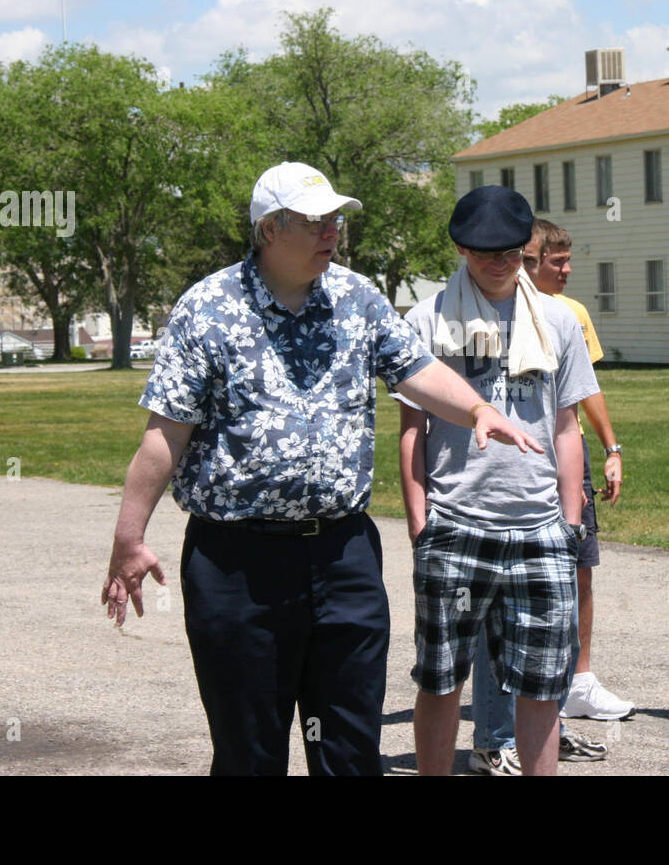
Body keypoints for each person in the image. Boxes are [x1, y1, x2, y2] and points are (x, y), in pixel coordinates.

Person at [100, 162, 541, 776]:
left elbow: (415, 370)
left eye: (336, 218)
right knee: (249, 749)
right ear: (270, 229)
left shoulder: (357, 298)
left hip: (342, 556)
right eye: (316, 221)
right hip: (237, 564)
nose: (333, 231)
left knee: (349, 746)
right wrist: (130, 537)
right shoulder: (207, 308)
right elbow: (164, 434)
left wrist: (476, 409)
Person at [398, 185, 599, 776]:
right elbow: (412, 429)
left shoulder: (558, 319)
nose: (500, 262)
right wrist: (419, 520)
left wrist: (568, 523)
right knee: (440, 679)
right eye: (486, 251)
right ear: (460, 247)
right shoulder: (426, 319)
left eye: (512, 251)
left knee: (542, 686)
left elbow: (566, 426)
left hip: (539, 530)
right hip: (455, 524)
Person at [465, 218, 631, 773]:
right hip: (500, 483)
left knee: (554, 616)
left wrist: (609, 450)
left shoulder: (565, 316)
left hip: (561, 475)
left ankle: (547, 731)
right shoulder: (474, 315)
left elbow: (581, 398)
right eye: (548, 259)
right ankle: (494, 737)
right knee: (498, 617)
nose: (560, 268)